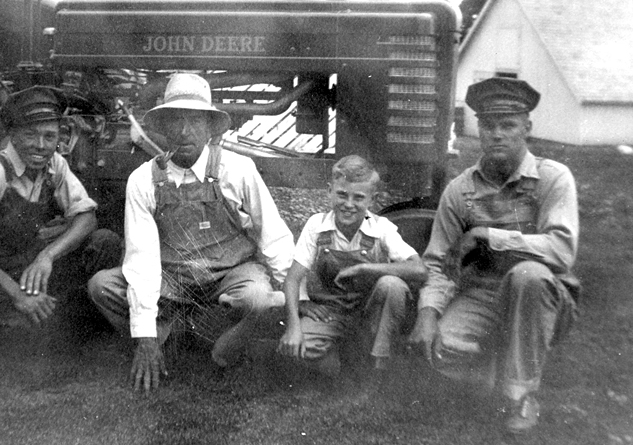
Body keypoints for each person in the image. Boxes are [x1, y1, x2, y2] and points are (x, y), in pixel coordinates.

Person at [87, 73, 294, 392]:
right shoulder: (143, 180)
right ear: (163, 126)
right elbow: (141, 260)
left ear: (211, 128)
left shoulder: (238, 170)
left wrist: (297, 304)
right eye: (175, 121)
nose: (184, 132)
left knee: (259, 299)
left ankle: (221, 348)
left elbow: (274, 237)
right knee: (102, 286)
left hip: (230, 275)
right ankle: (164, 339)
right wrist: (144, 336)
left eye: (195, 122)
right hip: (170, 280)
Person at [407, 77, 580, 434]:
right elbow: (437, 263)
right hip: (482, 293)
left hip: (543, 294)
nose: (497, 134)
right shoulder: (461, 190)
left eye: (508, 125)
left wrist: (490, 235)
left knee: (526, 276)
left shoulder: (553, 178)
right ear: (479, 129)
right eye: (489, 125)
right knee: (442, 352)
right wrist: (427, 315)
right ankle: (499, 368)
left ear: (527, 128)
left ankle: (521, 396)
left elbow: (561, 250)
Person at [0, 87, 121, 327]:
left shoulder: (54, 163)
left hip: (32, 267)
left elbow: (87, 218)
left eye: (49, 137)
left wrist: (47, 256)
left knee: (103, 242)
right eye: (30, 135)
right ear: (13, 135)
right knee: (21, 336)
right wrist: (16, 294)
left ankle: (67, 321)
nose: (40, 145)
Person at [277, 155, 425, 376]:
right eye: (342, 194)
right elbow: (292, 278)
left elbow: (419, 270)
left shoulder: (381, 228)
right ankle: (344, 358)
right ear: (329, 191)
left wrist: (366, 269)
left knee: (391, 285)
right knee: (295, 350)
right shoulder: (317, 225)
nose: (348, 204)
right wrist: (293, 326)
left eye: (358, 197)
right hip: (332, 311)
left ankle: (378, 367)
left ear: (371, 201)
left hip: (369, 311)